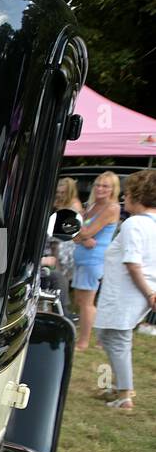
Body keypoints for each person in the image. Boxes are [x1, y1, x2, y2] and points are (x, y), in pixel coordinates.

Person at [93, 169, 156, 410]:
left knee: (117, 340)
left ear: (138, 196)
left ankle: (124, 395)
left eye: (128, 193)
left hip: (128, 293)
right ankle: (120, 384)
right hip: (137, 292)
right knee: (111, 337)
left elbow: (132, 262)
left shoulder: (135, 224)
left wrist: (148, 294)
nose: (124, 198)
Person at [71, 170, 121, 351]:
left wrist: (82, 235)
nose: (100, 188)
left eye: (105, 186)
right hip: (81, 257)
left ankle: (84, 342)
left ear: (113, 189)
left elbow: (83, 231)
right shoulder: (91, 206)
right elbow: (75, 235)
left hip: (94, 260)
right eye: (98, 184)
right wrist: (83, 237)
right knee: (80, 300)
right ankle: (98, 337)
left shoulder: (111, 208)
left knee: (87, 302)